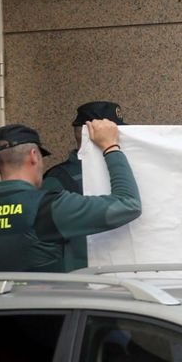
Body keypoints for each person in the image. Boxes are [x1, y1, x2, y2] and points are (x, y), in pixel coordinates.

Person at [0, 120, 141, 272]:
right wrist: (111, 147)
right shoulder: (49, 206)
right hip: (45, 292)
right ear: (34, 156)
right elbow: (128, 204)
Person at [41, 101, 128, 270]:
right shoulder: (59, 179)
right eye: (113, 133)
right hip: (80, 278)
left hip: (128, 273)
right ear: (91, 135)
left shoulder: (125, 169)